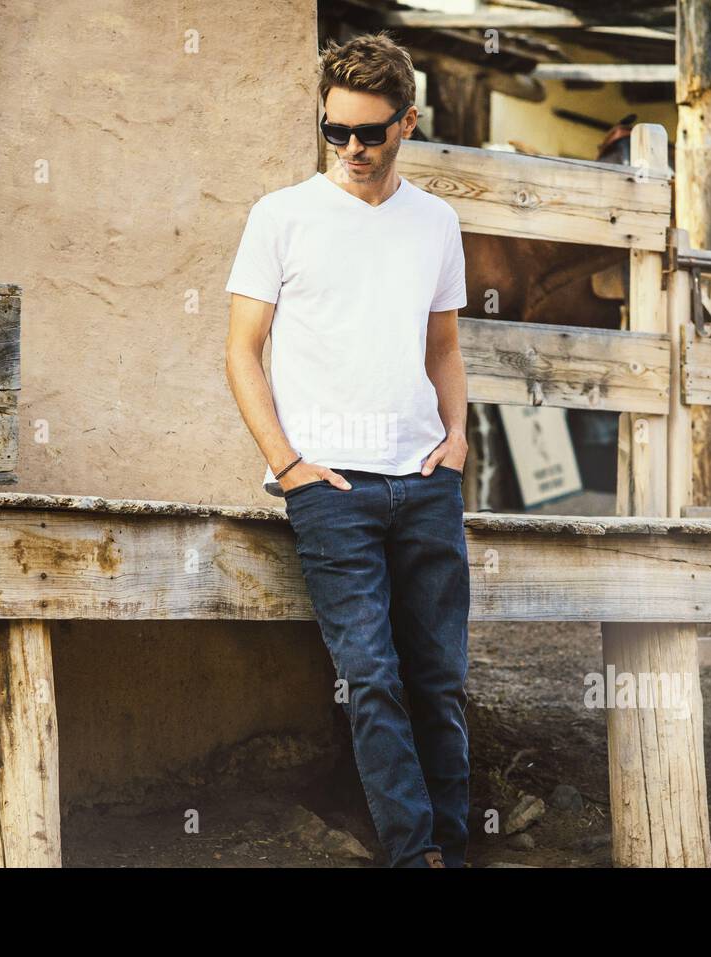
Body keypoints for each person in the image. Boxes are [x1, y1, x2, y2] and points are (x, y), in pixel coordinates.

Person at [223, 31, 471, 869]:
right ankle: (414, 855)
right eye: (337, 132)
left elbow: (443, 347)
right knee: (371, 677)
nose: (354, 149)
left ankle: (455, 843)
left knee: (438, 678)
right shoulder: (281, 216)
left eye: (371, 132)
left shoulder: (435, 221)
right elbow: (240, 349)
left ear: (407, 122)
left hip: (426, 478)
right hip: (330, 486)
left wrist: (460, 438)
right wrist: (289, 465)